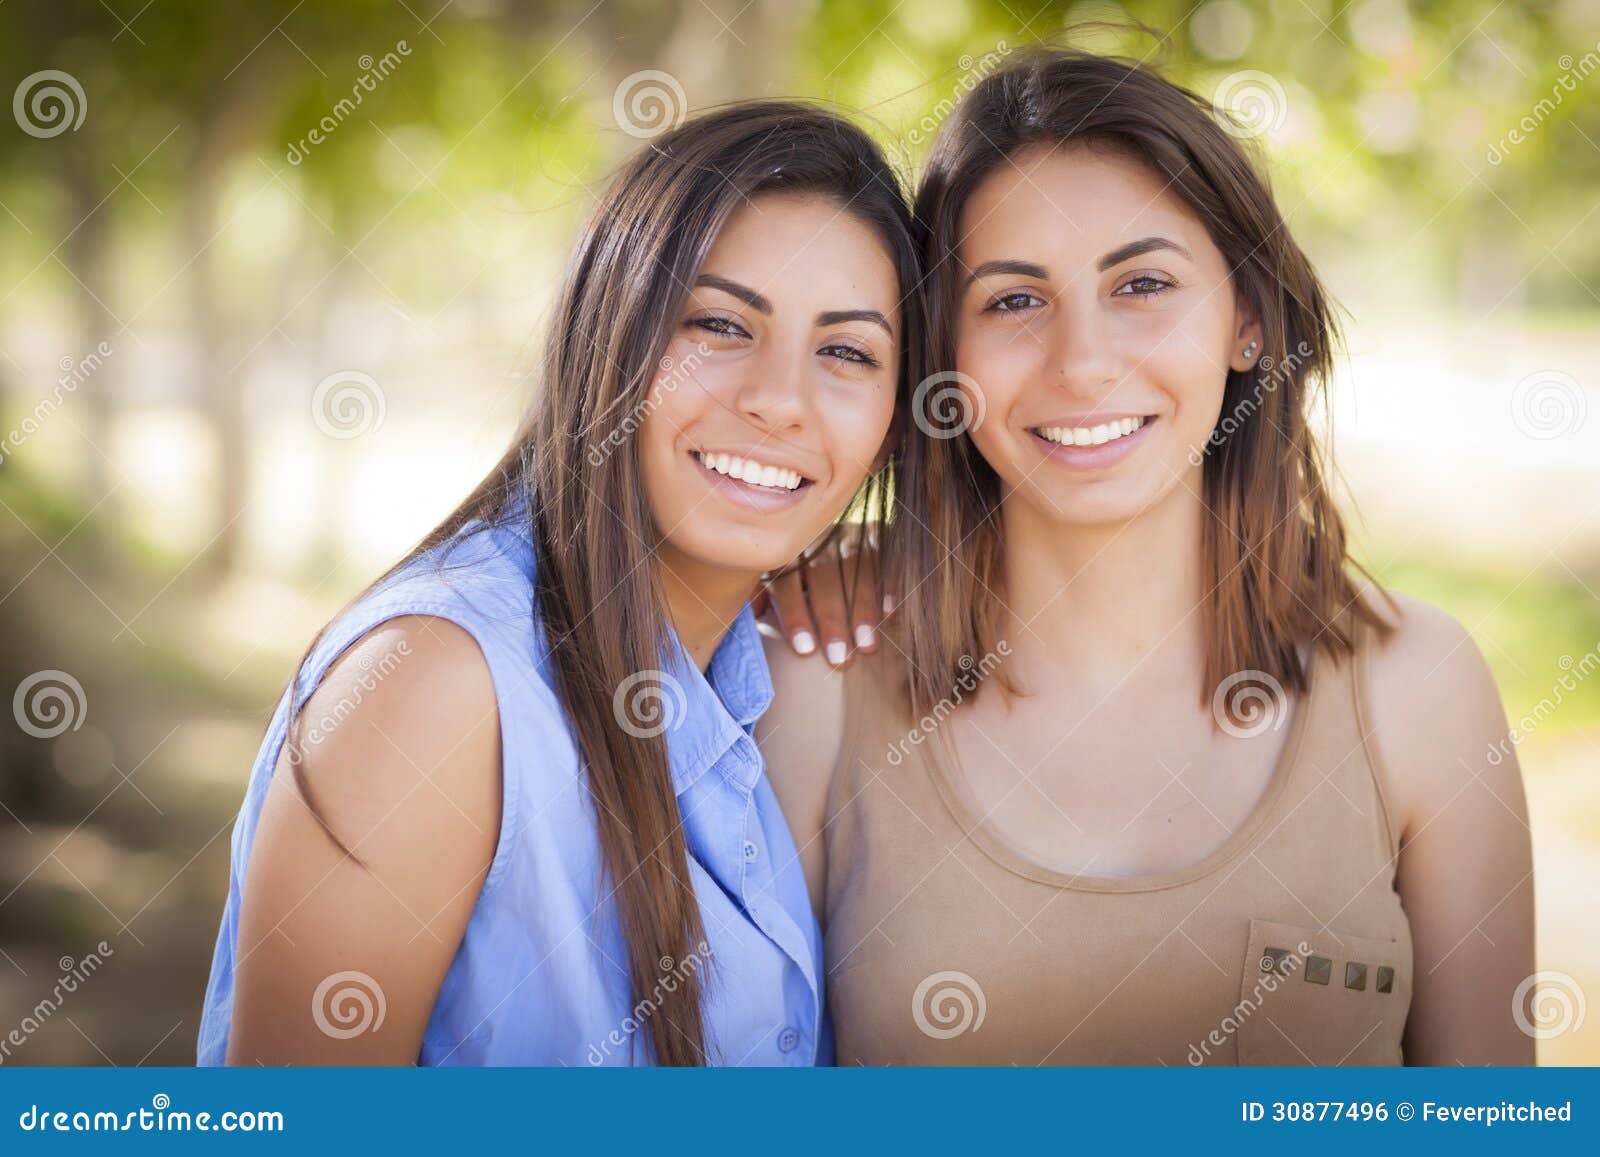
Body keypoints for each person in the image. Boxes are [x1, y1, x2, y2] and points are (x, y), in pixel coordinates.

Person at [757, 48, 1534, 1066]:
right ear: (946, 353)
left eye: (1143, 283)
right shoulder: (813, 679)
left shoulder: (1419, 689)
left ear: (1246, 321)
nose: (1082, 362)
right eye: (1014, 300)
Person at [198, 101, 922, 1066]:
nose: (779, 399)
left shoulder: (751, 675)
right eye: (716, 323)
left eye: (845, 351)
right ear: (606, 333)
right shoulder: (436, 685)